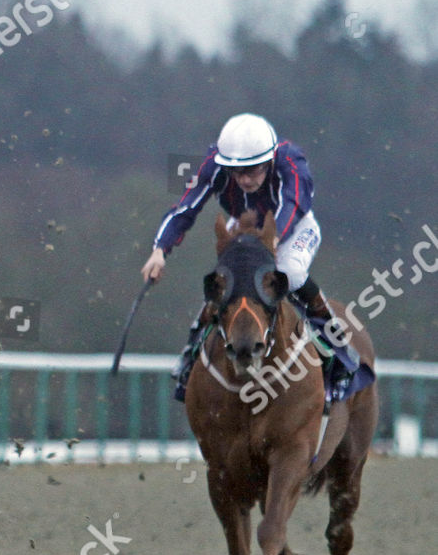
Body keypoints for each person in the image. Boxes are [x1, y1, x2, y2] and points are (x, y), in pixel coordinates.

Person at [142, 112, 355, 400]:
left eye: (252, 170)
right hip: (244, 227)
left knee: (289, 273)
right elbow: (185, 208)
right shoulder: (213, 164)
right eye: (236, 171)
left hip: (293, 228)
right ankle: (191, 354)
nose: (244, 179)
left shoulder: (291, 161)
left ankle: (338, 348)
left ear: (269, 161)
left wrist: (272, 242)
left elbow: (293, 204)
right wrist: (159, 250)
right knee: (224, 281)